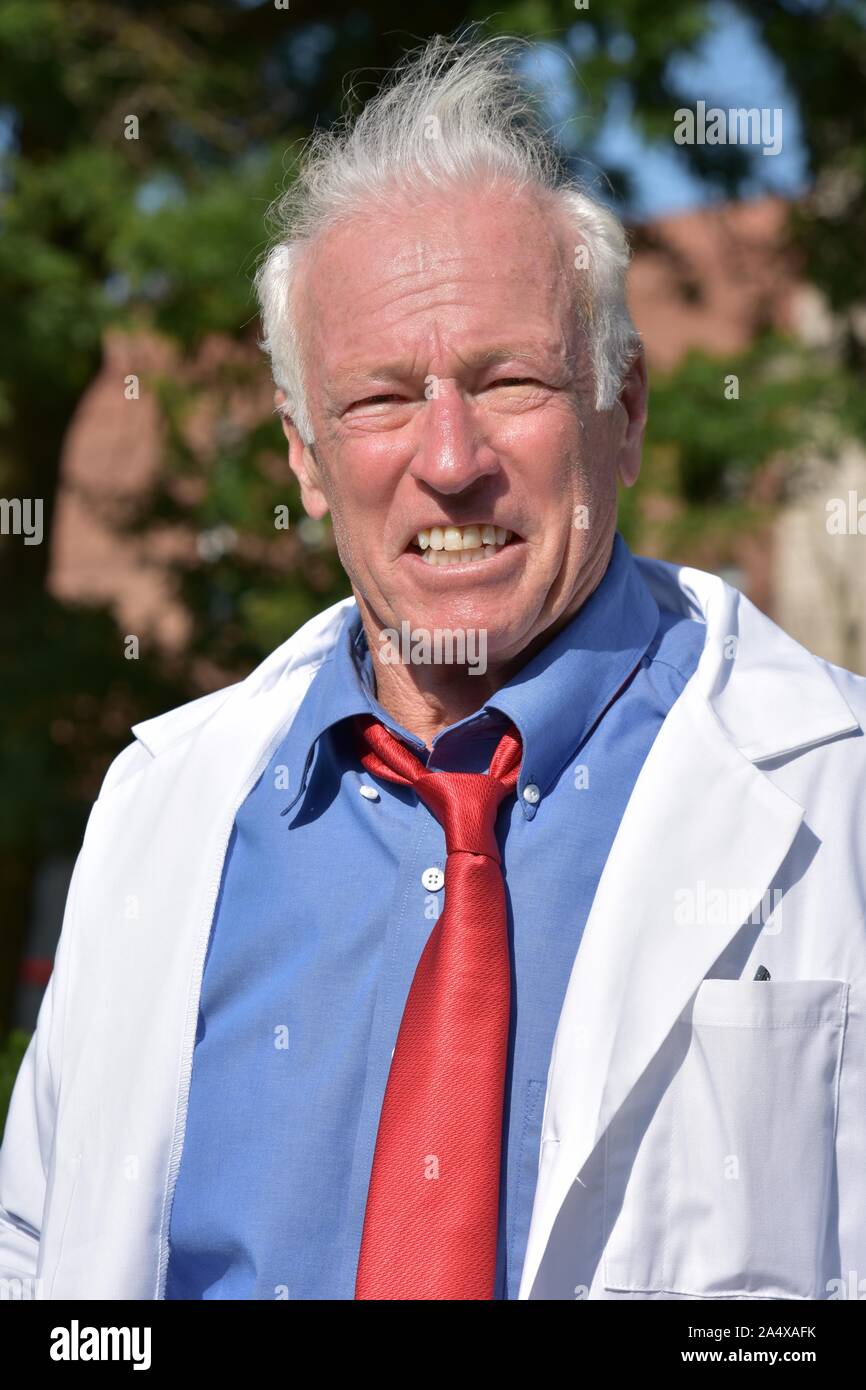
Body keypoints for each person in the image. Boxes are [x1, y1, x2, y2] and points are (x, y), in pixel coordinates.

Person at [2, 33, 865, 1303]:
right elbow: (37, 1251)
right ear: (304, 457)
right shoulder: (163, 809)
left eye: (507, 379)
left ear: (620, 411)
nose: (448, 457)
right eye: (380, 399)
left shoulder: (833, 794)